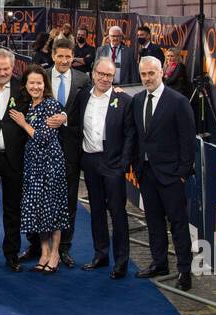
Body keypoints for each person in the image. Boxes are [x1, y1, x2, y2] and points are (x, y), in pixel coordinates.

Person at [127, 56, 197, 289]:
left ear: (162, 73)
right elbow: (137, 136)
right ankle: (159, 263)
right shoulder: (137, 100)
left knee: (178, 224)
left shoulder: (178, 102)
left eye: (151, 74)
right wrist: (136, 167)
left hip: (171, 176)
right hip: (146, 174)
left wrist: (181, 173)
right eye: (143, 74)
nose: (147, 78)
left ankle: (184, 271)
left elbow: (187, 141)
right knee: (154, 221)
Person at [69, 57, 133, 278]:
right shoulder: (83, 95)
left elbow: (129, 135)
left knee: (117, 212)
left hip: (113, 164)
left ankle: (121, 260)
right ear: (93, 73)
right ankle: (101, 254)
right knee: (96, 210)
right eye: (101, 74)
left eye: (109, 75)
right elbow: (75, 124)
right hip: (89, 161)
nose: (105, 78)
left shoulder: (122, 100)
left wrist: (123, 164)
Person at [10, 65, 68, 275]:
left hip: (51, 164)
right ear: (26, 85)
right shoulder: (28, 106)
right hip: (33, 165)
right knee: (38, 209)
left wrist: (24, 124)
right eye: (31, 83)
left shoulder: (51, 105)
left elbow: (43, 137)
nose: (35, 86)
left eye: (39, 83)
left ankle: (55, 255)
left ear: (45, 85)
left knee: (53, 209)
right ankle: (44, 252)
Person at [46, 37, 87, 267]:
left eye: (68, 56)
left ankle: (63, 248)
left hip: (71, 149)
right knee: (41, 198)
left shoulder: (83, 79)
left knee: (69, 200)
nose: (63, 60)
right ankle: (38, 245)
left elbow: (87, 109)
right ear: (53, 55)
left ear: (73, 57)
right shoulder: (41, 76)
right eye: (60, 56)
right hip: (43, 148)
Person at [0, 48, 27, 272]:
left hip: (15, 159)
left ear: (13, 68)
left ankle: (11, 254)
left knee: (13, 209)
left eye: (6, 69)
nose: (2, 73)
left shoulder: (23, 90)